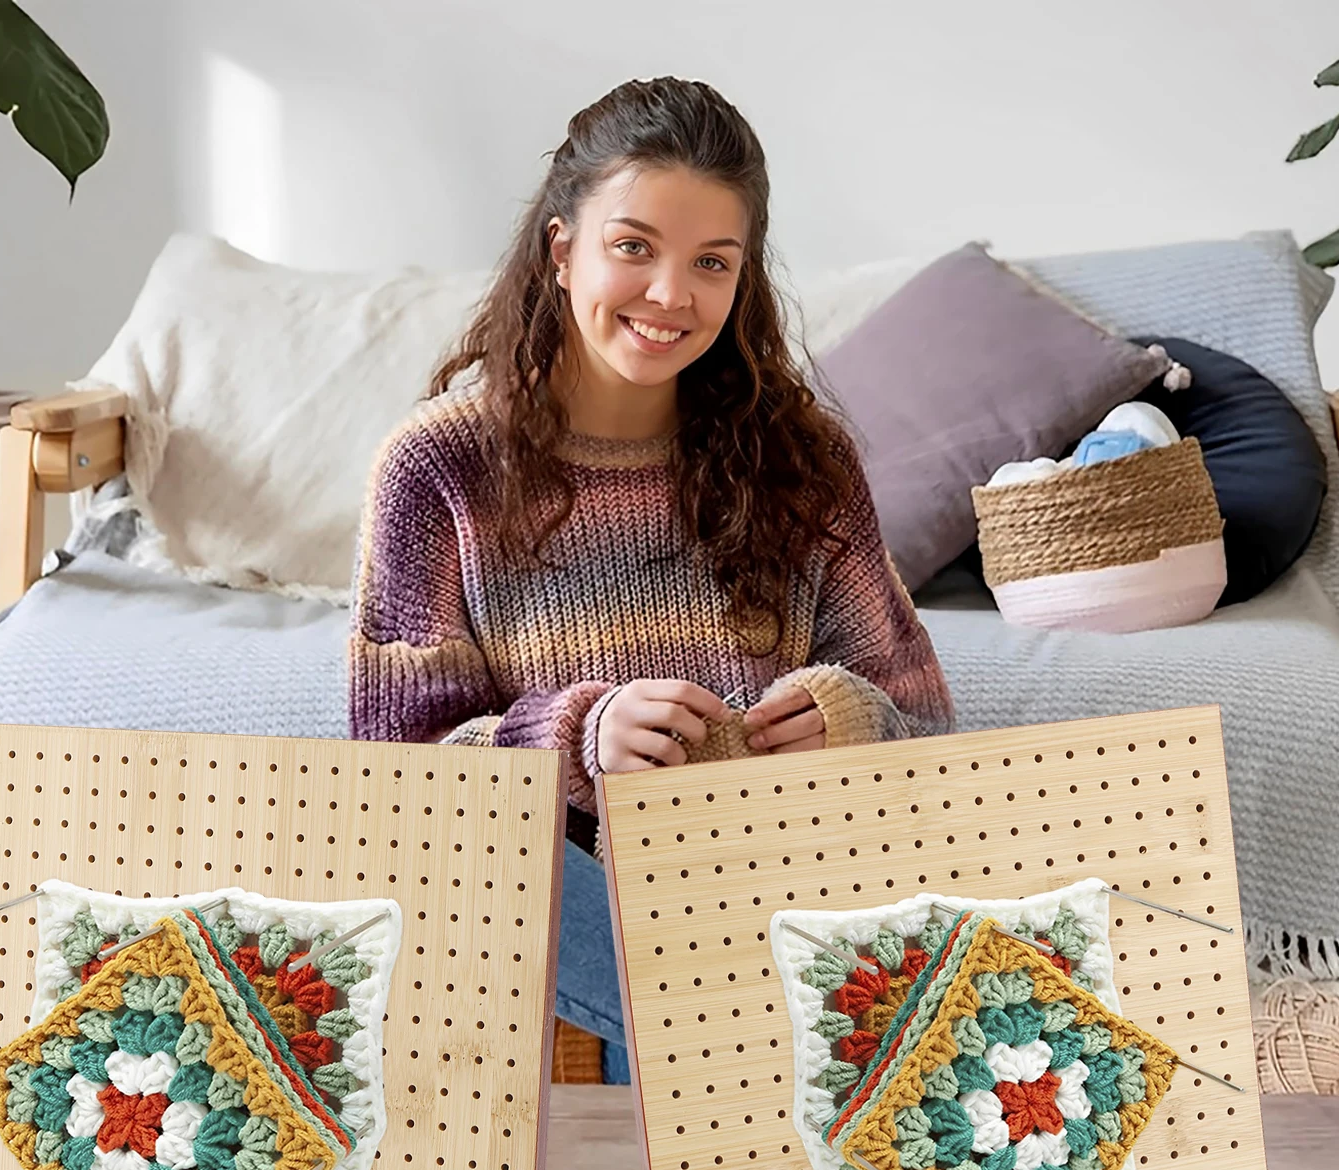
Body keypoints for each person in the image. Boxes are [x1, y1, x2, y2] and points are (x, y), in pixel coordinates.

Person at [348, 77, 952, 1083]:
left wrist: (844, 715)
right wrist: (579, 740)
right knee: (518, 877)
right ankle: (761, 1054)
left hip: (768, 862)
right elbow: (401, 784)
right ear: (560, 249)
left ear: (741, 277)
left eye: (711, 263)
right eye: (634, 248)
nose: (672, 294)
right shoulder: (437, 468)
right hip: (567, 877)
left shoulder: (804, 459)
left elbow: (922, 727)